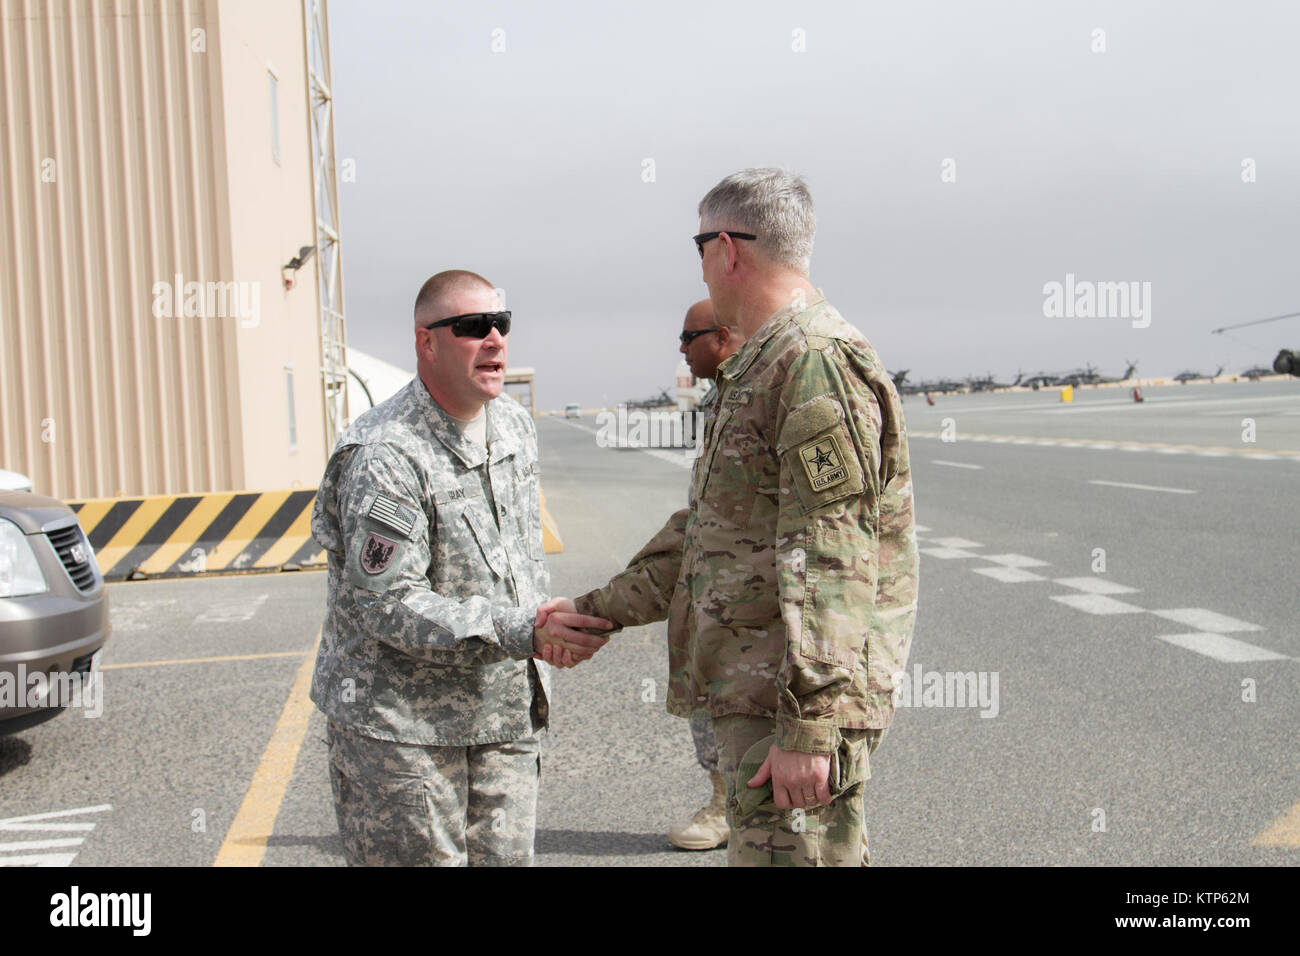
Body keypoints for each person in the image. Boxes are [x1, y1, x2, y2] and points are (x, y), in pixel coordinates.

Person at [554, 169, 919, 866]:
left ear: (726, 249)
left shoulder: (811, 362)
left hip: (787, 704)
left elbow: (832, 555)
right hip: (760, 698)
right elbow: (711, 536)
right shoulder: (760, 364)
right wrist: (594, 610)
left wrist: (811, 726)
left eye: (698, 247)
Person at [310, 269, 610, 867]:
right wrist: (523, 631)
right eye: (473, 327)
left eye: (501, 323)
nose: (495, 339)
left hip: (503, 721)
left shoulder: (516, 429)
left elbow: (515, 565)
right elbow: (386, 604)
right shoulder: (386, 454)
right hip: (405, 736)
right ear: (428, 342)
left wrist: (548, 627)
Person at [669, 298, 746, 850]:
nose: (680, 347)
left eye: (688, 336)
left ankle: (741, 807)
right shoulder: (720, 400)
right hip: (715, 582)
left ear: (721, 337)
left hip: (753, 589)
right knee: (710, 692)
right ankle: (724, 799)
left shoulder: (762, 395)